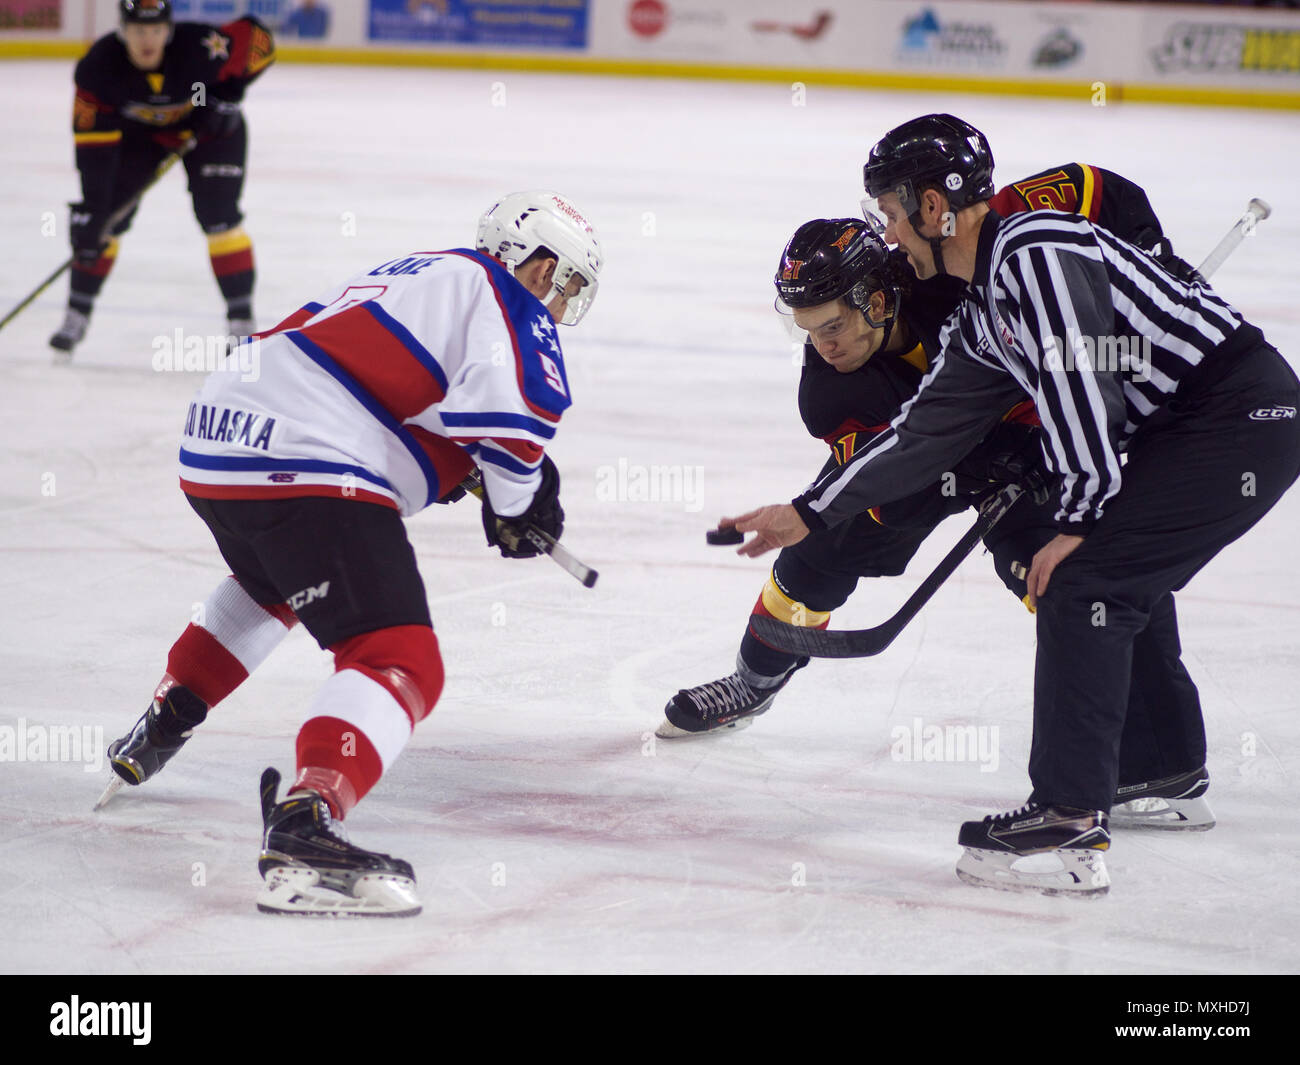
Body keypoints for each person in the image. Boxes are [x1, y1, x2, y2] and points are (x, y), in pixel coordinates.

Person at [726, 114, 1300, 896]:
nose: (889, 236)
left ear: (935, 207)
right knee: (1096, 584)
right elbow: (923, 431)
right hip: (1203, 428)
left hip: (1238, 419)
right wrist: (811, 509)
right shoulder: (986, 310)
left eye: (892, 214)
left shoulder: (1033, 249)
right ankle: (1158, 771)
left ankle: (1068, 813)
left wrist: (1077, 517)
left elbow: (1079, 386)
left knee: (1083, 581)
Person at [98, 191, 603, 917]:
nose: (560, 305)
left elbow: (383, 384)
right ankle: (307, 823)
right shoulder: (507, 298)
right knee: (400, 657)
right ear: (540, 264)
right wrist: (520, 509)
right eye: (567, 285)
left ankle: (166, 716)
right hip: (304, 454)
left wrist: (458, 466)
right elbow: (516, 432)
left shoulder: (428, 271)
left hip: (217, 440)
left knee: (274, 580)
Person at [657, 216, 1054, 740]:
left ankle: (1143, 750)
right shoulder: (833, 395)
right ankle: (754, 681)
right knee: (816, 555)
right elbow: (895, 497)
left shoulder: (943, 279)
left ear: (876, 301)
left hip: (1032, 441)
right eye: (809, 330)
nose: (823, 347)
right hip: (911, 471)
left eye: (833, 326)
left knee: (1058, 581)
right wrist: (983, 465)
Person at [51, 0, 275, 359]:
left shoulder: (198, 47)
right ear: (123, 31)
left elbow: (258, 39)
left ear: (169, 30)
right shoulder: (99, 68)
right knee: (106, 218)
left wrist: (228, 99)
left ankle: (241, 321)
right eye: (138, 30)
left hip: (208, 132)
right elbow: (95, 147)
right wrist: (95, 207)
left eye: (156, 30)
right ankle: (76, 314)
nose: (147, 40)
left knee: (219, 215)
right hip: (142, 138)